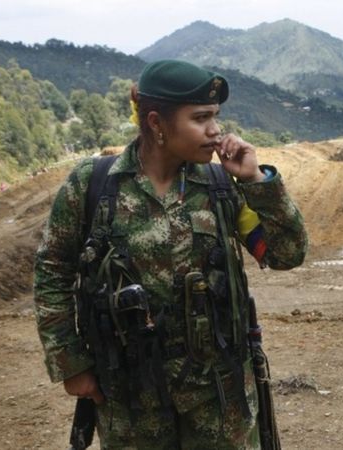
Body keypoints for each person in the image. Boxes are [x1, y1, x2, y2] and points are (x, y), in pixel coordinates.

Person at [34, 59, 308, 448]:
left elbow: (286, 253)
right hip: (130, 396)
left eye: (215, 116)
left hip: (219, 395)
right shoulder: (93, 185)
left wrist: (256, 181)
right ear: (156, 123)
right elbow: (53, 271)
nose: (215, 131)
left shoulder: (221, 185)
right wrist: (71, 363)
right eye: (200, 118)